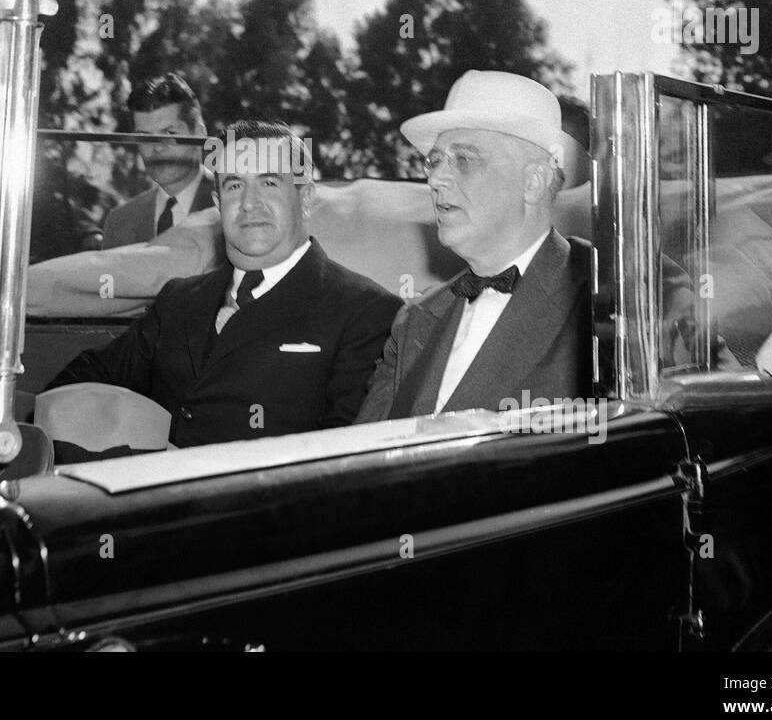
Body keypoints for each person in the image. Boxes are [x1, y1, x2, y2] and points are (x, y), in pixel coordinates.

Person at [45, 120, 402, 448]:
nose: (249, 204)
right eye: (234, 185)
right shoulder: (179, 300)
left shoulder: (366, 312)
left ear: (306, 199)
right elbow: (86, 379)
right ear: (218, 203)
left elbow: (341, 462)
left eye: (269, 182)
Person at [356, 71, 591, 421]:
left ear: (533, 181)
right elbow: (364, 458)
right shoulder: (415, 319)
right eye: (434, 161)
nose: (435, 179)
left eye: (463, 160)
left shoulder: (607, 289)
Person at [102, 73, 216, 248]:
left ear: (199, 134)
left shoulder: (231, 207)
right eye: (145, 137)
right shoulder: (119, 223)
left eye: (170, 134)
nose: (157, 147)